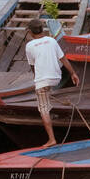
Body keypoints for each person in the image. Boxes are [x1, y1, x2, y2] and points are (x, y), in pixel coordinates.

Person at [25, 17, 81, 147]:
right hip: (57, 78)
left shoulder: (29, 46)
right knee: (46, 89)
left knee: (43, 109)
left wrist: (37, 80)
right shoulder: (51, 40)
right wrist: (73, 73)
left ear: (31, 33)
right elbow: (63, 58)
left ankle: (51, 139)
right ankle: (49, 99)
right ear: (42, 30)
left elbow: (32, 67)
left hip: (43, 81)